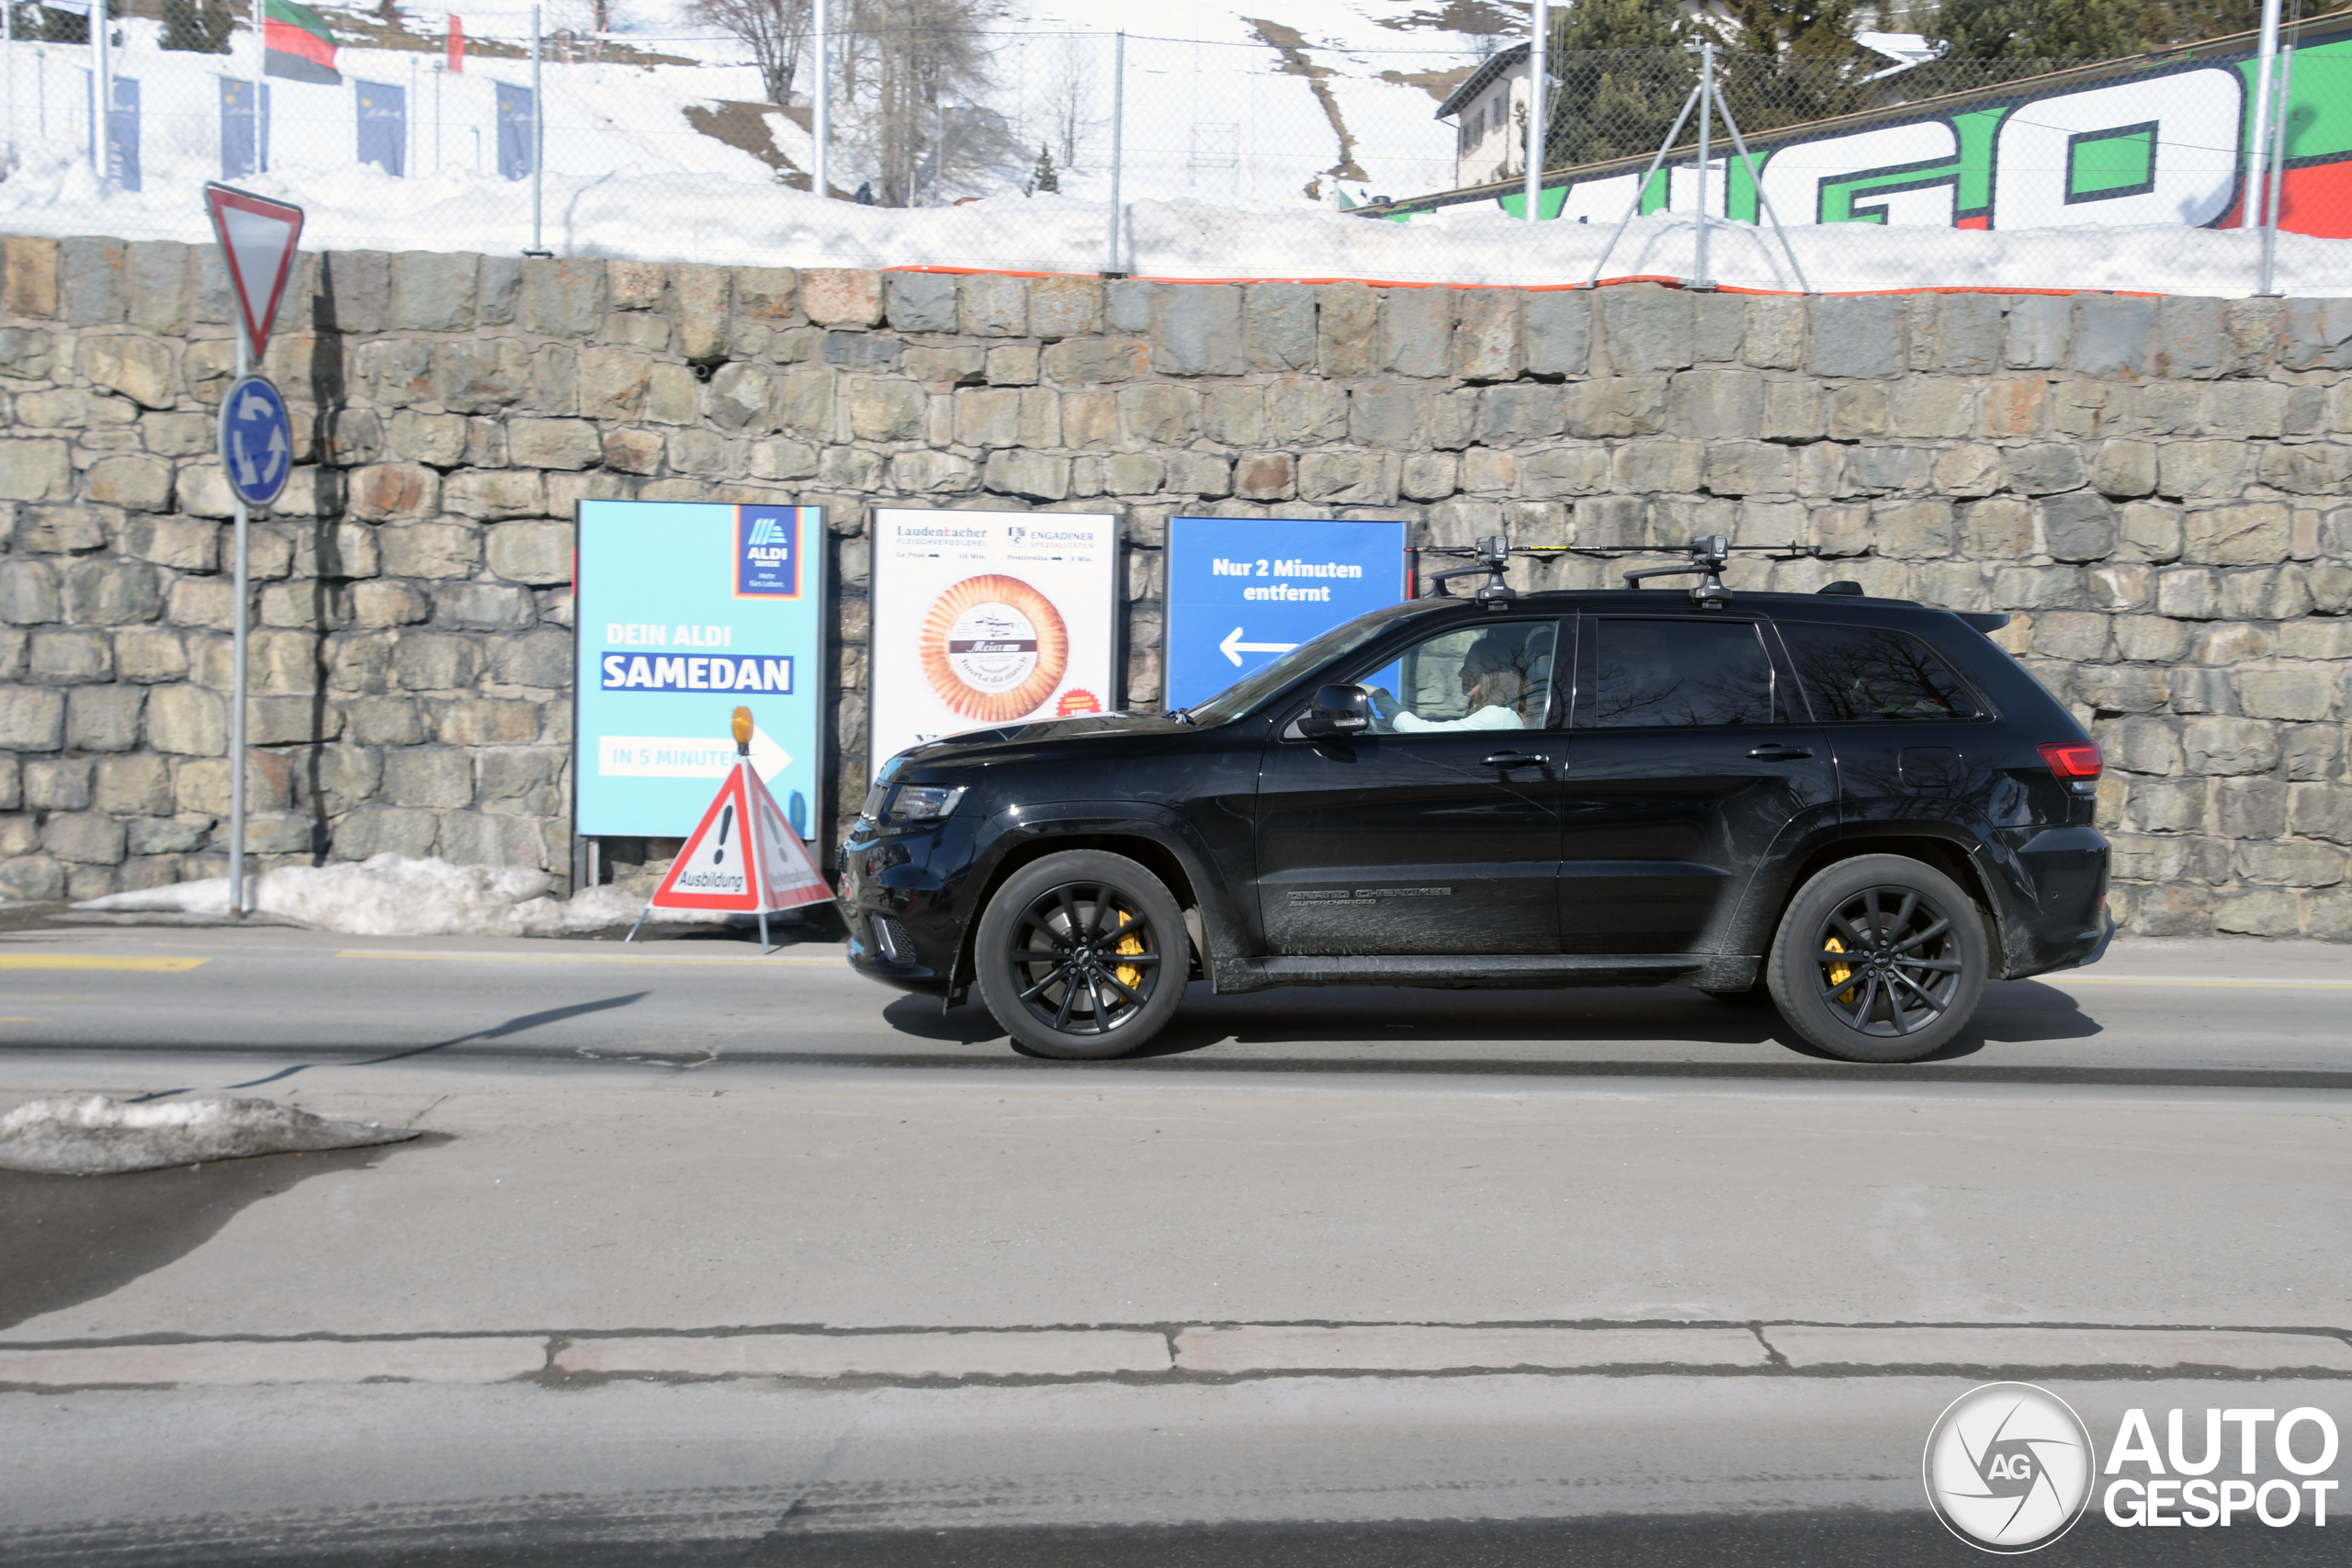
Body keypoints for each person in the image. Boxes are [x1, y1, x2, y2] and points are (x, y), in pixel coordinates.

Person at [1373, 632, 1534, 733]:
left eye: (1470, 667)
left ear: (1492, 675)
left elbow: (1421, 732)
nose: (1460, 673)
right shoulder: (1498, 713)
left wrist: (1377, 695)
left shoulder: (1498, 716)